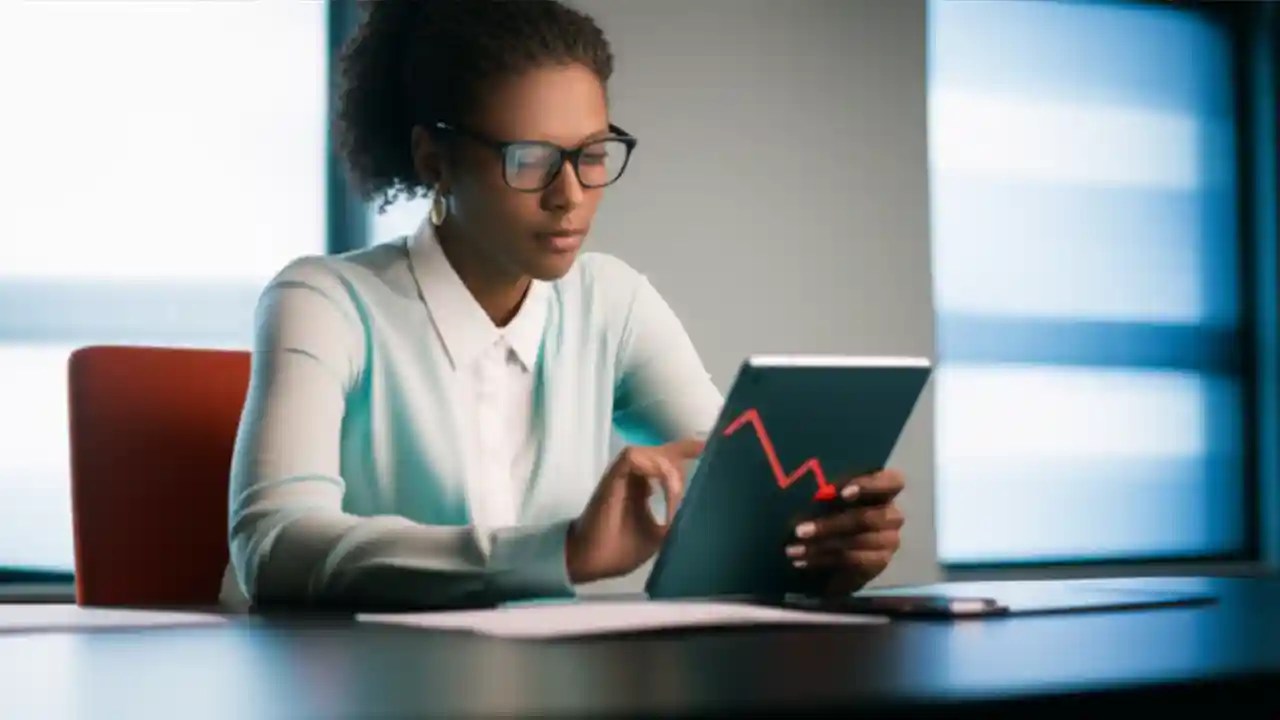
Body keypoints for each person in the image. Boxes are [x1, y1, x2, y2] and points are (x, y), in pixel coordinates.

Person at [222, 0, 906, 611]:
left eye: (592, 154)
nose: (570, 195)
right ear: (434, 160)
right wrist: (561, 552)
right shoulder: (324, 302)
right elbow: (276, 545)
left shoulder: (611, 302)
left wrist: (817, 547)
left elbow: (737, 487)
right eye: (529, 159)